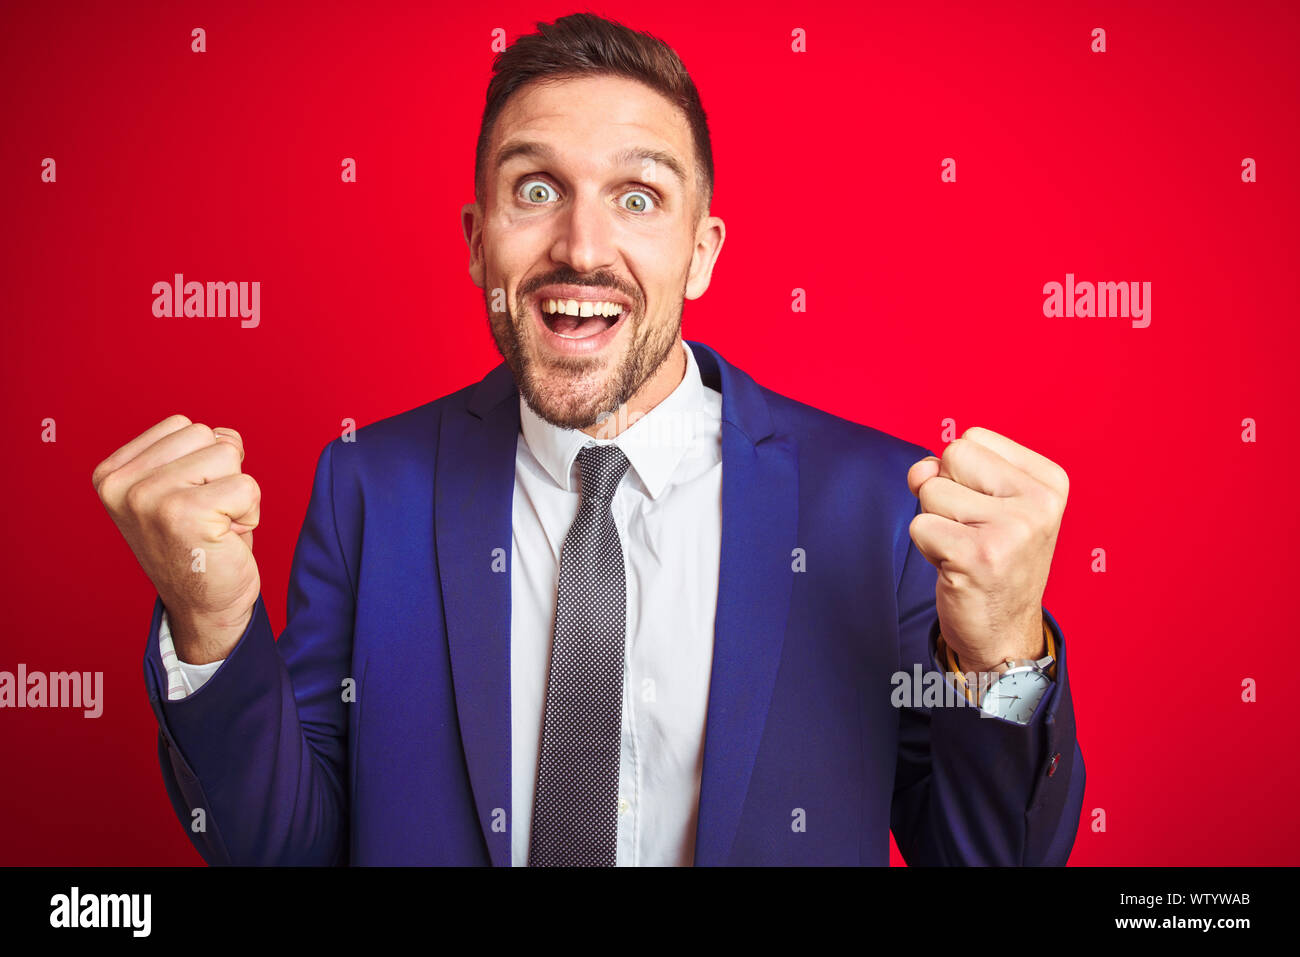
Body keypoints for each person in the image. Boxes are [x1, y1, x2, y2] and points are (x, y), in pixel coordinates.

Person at [92, 12, 1083, 866]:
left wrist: (1002, 655)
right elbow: (280, 849)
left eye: (638, 197)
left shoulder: (873, 504)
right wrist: (211, 627)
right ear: (479, 241)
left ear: (701, 253)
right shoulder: (368, 487)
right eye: (535, 189)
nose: (581, 246)